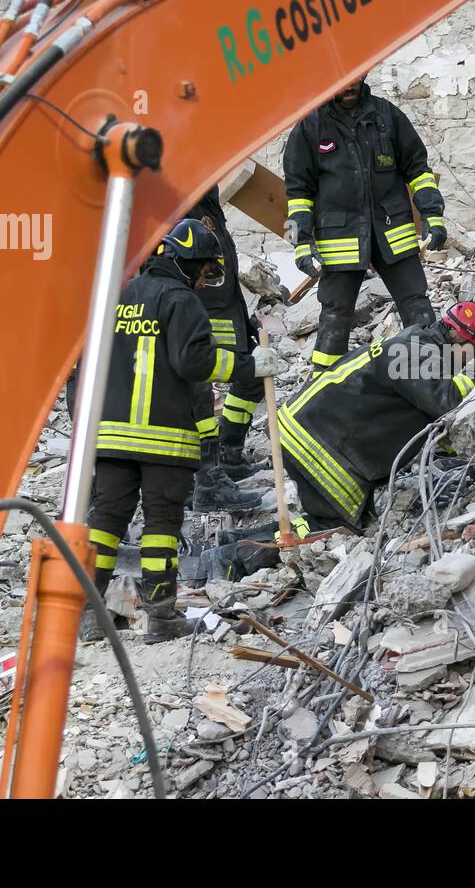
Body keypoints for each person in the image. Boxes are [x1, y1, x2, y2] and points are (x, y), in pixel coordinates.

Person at [81, 219, 280, 644]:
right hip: (163, 438)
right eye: (206, 271)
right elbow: (193, 362)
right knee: (160, 526)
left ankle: (86, 614)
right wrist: (249, 366)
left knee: (104, 521)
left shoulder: (121, 296)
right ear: (189, 264)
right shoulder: (181, 300)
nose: (206, 280)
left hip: (110, 436)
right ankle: (162, 618)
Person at [275, 301, 475, 533]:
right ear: (459, 340)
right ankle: (242, 553)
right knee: (332, 528)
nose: (470, 361)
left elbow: (425, 412)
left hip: (314, 430)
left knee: (347, 523)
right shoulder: (415, 354)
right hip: (314, 441)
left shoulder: (419, 345)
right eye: (474, 353)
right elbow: (447, 401)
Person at [283, 75, 445, 374]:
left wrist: (433, 216)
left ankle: (433, 376)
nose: (347, 89)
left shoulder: (387, 116)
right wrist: (301, 243)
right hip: (340, 242)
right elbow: (298, 193)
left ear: (363, 76)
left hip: (392, 233)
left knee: (417, 305)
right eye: (340, 83)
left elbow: (418, 171)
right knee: (335, 317)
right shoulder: (311, 126)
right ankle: (324, 390)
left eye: (353, 82)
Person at [184, 188, 268, 513]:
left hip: (228, 306)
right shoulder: (179, 201)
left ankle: (230, 452)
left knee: (253, 375)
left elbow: (223, 260)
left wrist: (242, 312)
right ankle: (205, 472)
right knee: (200, 393)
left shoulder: (207, 198)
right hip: (203, 310)